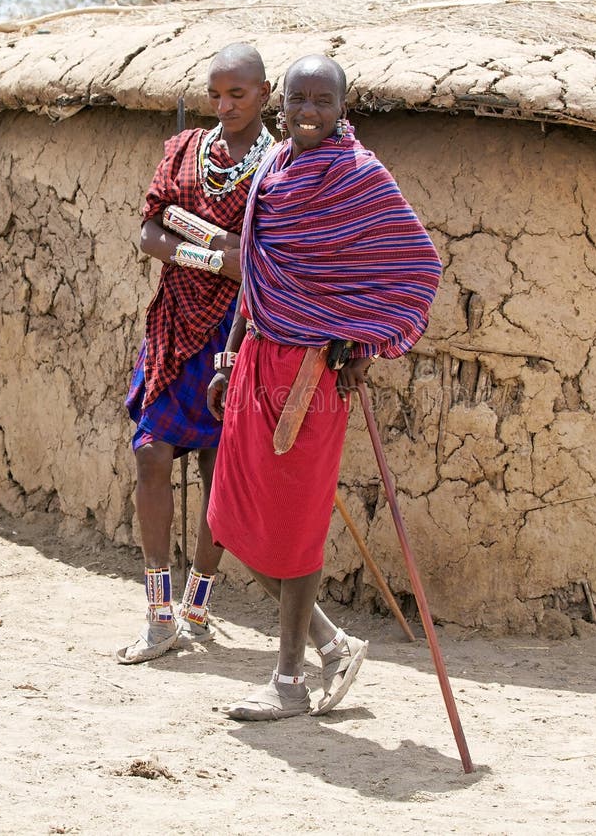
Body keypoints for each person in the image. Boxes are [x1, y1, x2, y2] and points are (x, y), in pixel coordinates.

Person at [205, 54, 442, 718]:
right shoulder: (274, 168)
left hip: (311, 373)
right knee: (231, 519)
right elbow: (258, 273)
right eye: (297, 99)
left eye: (322, 101)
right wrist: (227, 357)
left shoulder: (359, 178)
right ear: (279, 104)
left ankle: (287, 681)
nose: (308, 112)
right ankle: (331, 644)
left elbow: (416, 267)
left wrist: (364, 341)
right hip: (256, 360)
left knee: (295, 526)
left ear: (344, 109)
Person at [115, 44, 274, 664]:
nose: (224, 105)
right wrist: (213, 253)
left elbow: (266, 257)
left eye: (237, 94)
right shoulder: (184, 151)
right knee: (151, 453)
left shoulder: (280, 166)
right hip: (174, 321)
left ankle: (198, 606)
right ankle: (158, 612)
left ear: (264, 95)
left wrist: (226, 248)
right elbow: (150, 230)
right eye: (215, 94)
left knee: (218, 475)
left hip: (235, 335)